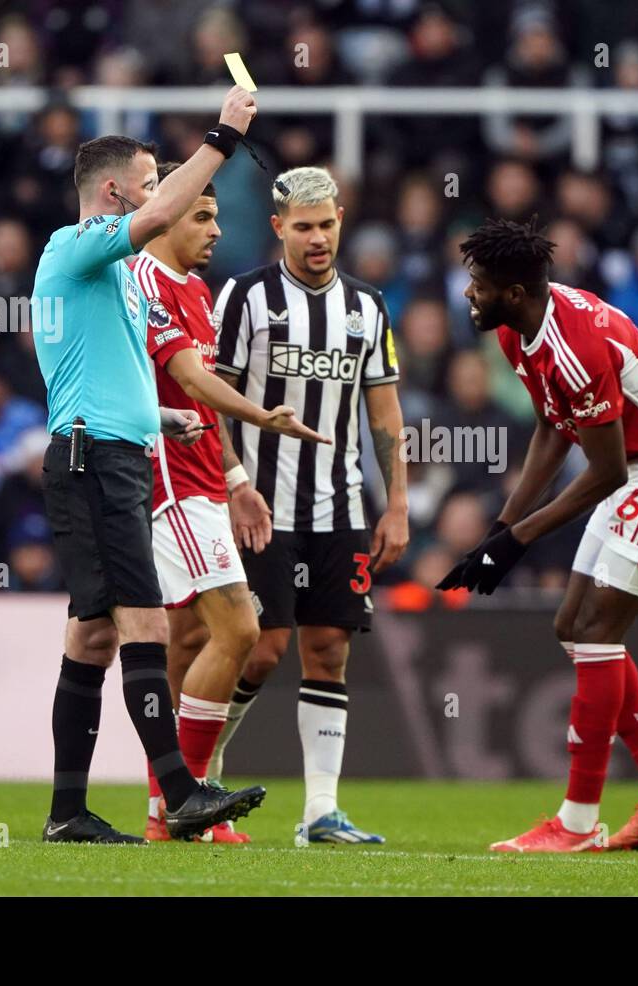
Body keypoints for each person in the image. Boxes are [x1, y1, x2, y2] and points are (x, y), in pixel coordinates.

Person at [440, 218, 638, 852]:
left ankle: (575, 825)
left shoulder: (575, 345)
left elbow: (601, 472)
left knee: (598, 630)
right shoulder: (519, 333)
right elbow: (553, 431)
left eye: (479, 284)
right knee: (572, 627)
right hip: (634, 470)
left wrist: (517, 541)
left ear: (514, 292)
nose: (469, 293)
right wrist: (499, 530)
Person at [30, 84, 270, 844]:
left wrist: (162, 416)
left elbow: (106, 372)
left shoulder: (115, 282)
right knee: (143, 623)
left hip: (112, 452)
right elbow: (163, 215)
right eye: (146, 181)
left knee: (93, 638)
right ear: (112, 194)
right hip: (92, 461)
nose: (157, 195)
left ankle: (69, 812)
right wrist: (224, 138)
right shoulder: (75, 248)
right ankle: (178, 792)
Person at [206, 166, 409, 845]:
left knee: (329, 649)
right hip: (261, 506)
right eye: (304, 228)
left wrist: (397, 505)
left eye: (326, 225)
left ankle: (320, 812)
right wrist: (235, 482)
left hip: (339, 508)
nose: (318, 239)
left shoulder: (367, 307)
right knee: (261, 650)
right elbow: (212, 401)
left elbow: (384, 410)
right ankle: (201, 780)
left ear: (341, 220)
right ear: (277, 229)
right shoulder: (243, 299)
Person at [131, 161, 328, 842]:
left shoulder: (195, 289)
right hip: (168, 483)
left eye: (216, 216)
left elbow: (197, 401)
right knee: (240, 631)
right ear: (166, 217)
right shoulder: (147, 283)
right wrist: (262, 415)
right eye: (201, 217)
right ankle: (186, 801)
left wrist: (237, 481)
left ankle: (170, 809)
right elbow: (187, 378)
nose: (216, 229)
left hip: (205, 481)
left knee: (190, 637)